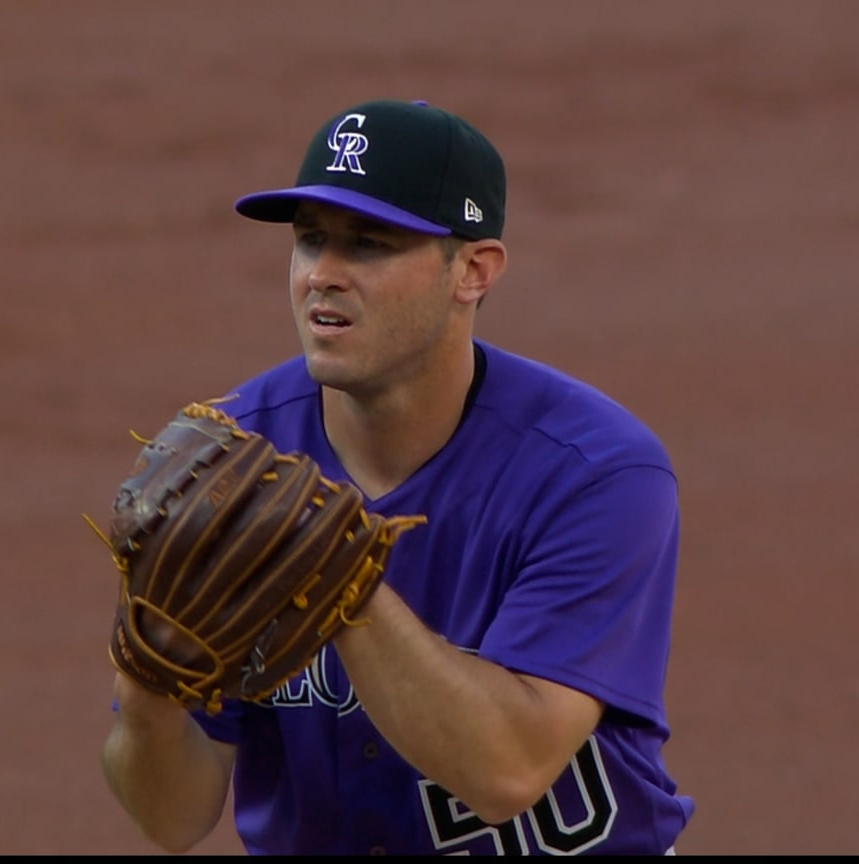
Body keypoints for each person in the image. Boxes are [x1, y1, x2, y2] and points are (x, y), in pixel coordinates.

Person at [100, 98, 694, 856]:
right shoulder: (231, 460)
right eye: (310, 239)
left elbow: (507, 770)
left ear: (473, 271)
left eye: (369, 245)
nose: (323, 275)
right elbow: (174, 821)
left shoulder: (594, 472)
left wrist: (334, 572)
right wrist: (147, 697)